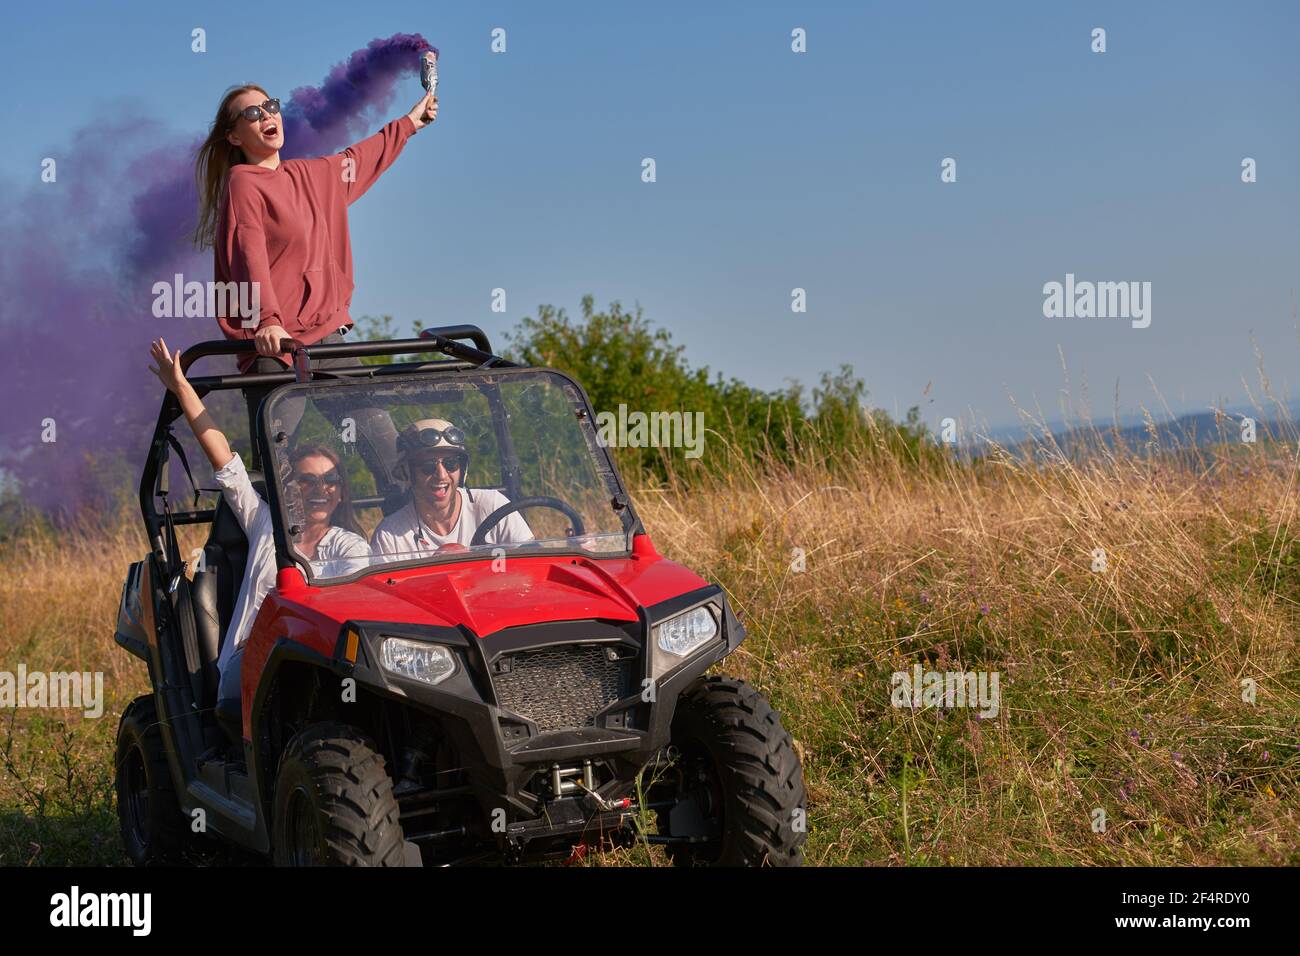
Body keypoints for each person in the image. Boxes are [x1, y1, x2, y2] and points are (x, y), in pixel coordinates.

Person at [190, 82, 438, 477]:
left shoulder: (311, 175)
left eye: (270, 106)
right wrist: (268, 319)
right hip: (276, 347)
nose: (266, 115)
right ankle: (239, 521)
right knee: (274, 469)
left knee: (387, 451)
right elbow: (250, 252)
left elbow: (359, 158)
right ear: (234, 136)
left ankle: (405, 518)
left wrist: (410, 123)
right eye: (252, 113)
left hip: (327, 336)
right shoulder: (244, 182)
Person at [148, 337, 370, 712]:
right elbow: (223, 458)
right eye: (307, 481)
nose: (320, 490)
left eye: (329, 481)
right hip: (251, 658)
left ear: (341, 490)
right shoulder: (265, 522)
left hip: (319, 662)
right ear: (289, 488)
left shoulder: (351, 548)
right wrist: (182, 388)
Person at [371, 419, 535, 558]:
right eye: (428, 466)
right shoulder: (390, 536)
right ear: (406, 472)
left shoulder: (494, 507)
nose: (441, 475)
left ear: (462, 470)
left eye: (451, 464)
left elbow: (532, 566)